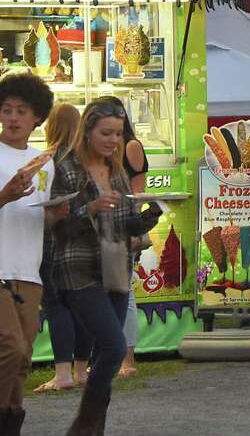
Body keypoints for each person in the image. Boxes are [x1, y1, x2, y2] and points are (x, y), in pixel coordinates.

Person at [52, 99, 162, 435]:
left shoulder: (115, 170)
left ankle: (92, 427)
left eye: (118, 133)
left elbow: (127, 224)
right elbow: (58, 224)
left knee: (107, 354)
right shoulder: (67, 167)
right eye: (106, 133)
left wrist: (150, 215)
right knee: (115, 346)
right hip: (78, 268)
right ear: (87, 130)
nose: (114, 140)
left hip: (115, 267)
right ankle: (83, 427)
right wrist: (93, 207)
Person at [0, 74, 58, 436]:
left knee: (23, 359)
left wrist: (58, 214)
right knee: (11, 347)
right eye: (6, 110)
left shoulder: (44, 162)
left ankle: (11, 421)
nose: (13, 117)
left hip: (29, 268)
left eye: (21, 111)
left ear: (37, 116)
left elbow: (42, 215)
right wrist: (5, 194)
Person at [34, 103, 90, 395]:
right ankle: (81, 369)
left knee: (56, 305)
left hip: (53, 241)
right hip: (82, 244)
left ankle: (62, 373)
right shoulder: (86, 159)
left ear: (49, 126)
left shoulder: (48, 159)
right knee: (79, 307)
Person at [94, 96, 146, 380]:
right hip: (105, 224)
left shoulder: (131, 146)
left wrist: (132, 226)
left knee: (125, 292)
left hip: (124, 225)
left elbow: (137, 190)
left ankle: (128, 358)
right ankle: (111, 356)